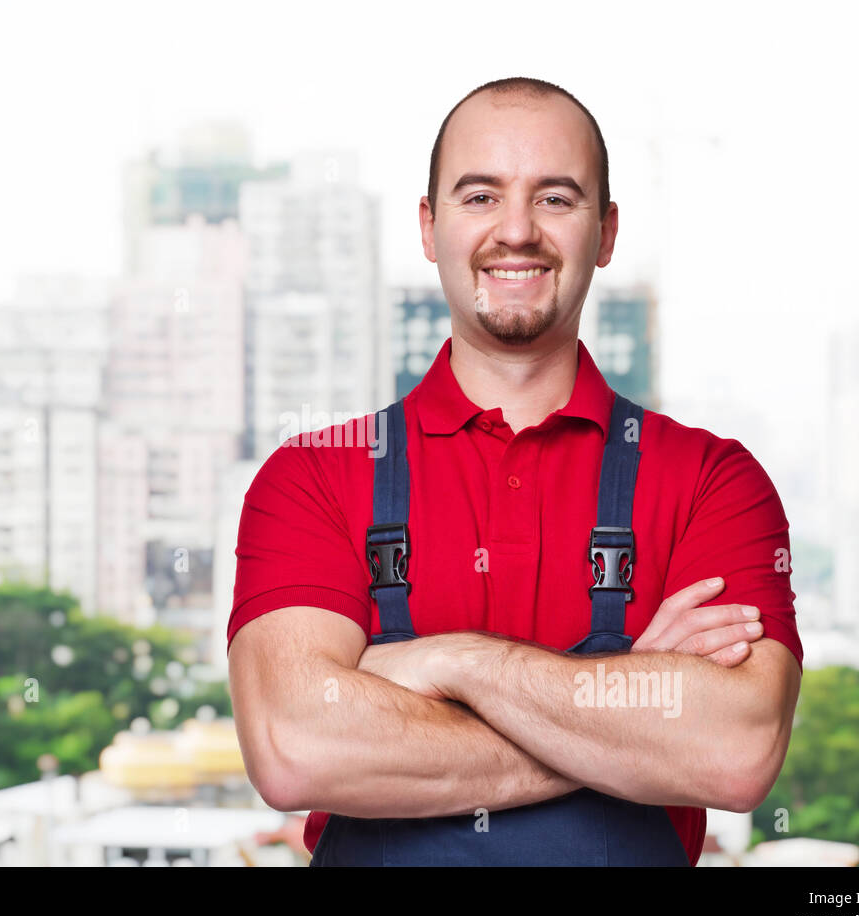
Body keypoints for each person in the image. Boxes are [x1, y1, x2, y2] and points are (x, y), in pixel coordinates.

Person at [226, 76, 803, 866]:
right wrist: (624, 702)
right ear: (430, 228)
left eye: (557, 199)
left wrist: (452, 663)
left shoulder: (713, 480)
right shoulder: (314, 478)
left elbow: (735, 751)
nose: (517, 231)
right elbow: (295, 746)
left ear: (606, 233)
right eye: (480, 196)